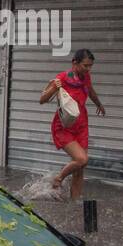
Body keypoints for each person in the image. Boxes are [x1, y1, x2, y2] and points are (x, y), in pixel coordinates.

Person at [39, 48, 105, 202]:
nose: (88, 69)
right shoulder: (62, 78)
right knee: (81, 159)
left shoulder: (85, 77)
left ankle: (74, 204)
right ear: (74, 63)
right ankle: (58, 178)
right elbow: (42, 100)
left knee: (80, 169)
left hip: (81, 126)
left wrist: (99, 104)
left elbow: (90, 91)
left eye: (90, 66)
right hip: (64, 127)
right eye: (85, 66)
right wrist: (55, 87)